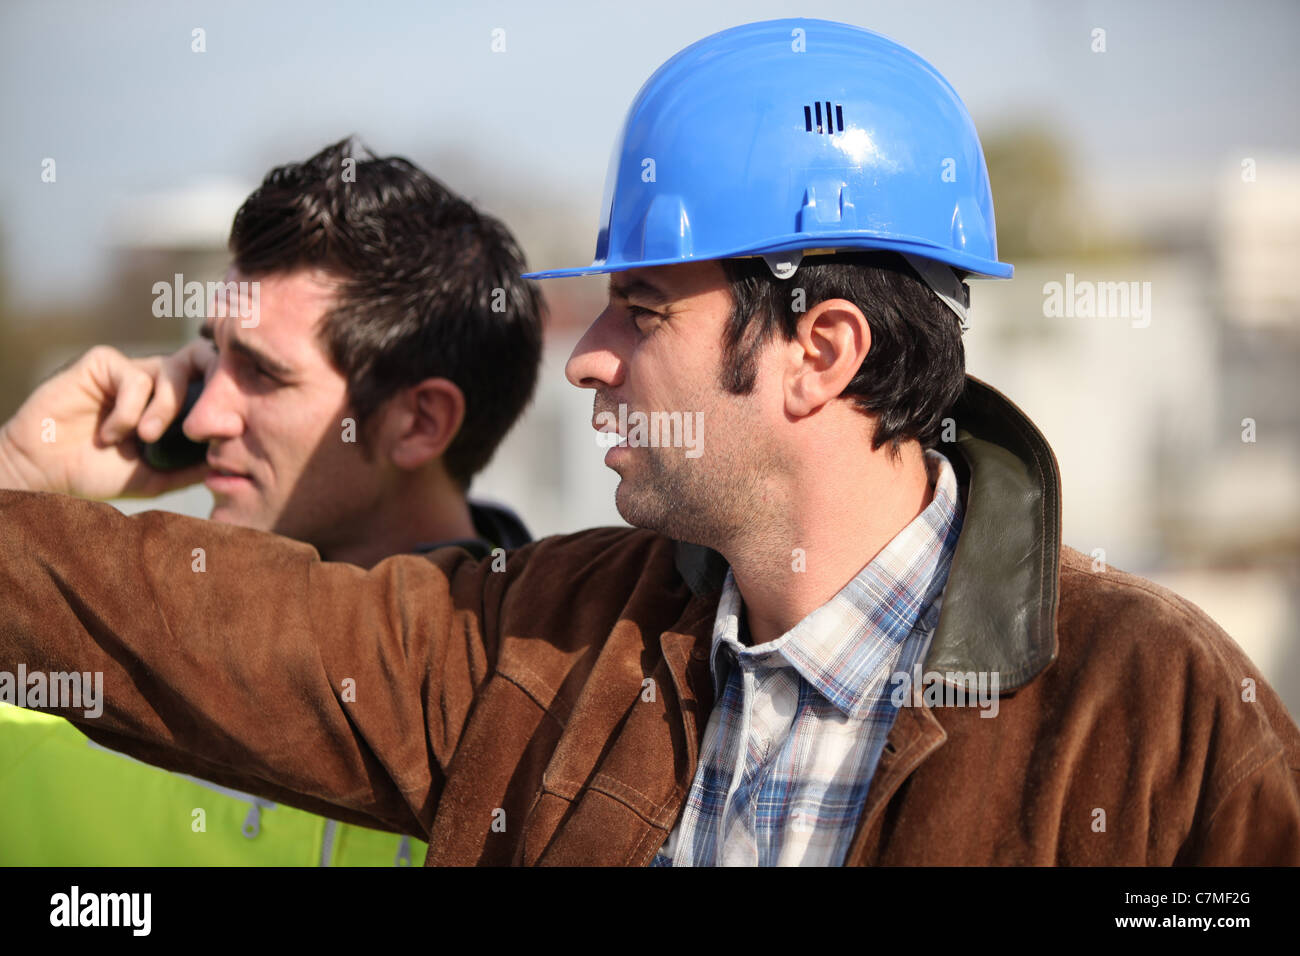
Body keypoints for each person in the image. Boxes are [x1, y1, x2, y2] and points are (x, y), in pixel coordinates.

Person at [1, 19, 1297, 866]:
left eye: (643, 308)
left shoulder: (1156, 717)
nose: (590, 359)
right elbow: (179, 625)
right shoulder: (545, 643)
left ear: (823, 351)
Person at [0, 137, 542, 865]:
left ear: (419, 422)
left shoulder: (550, 746)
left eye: (261, 372)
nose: (199, 417)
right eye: (211, 357)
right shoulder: (58, 680)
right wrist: (16, 471)